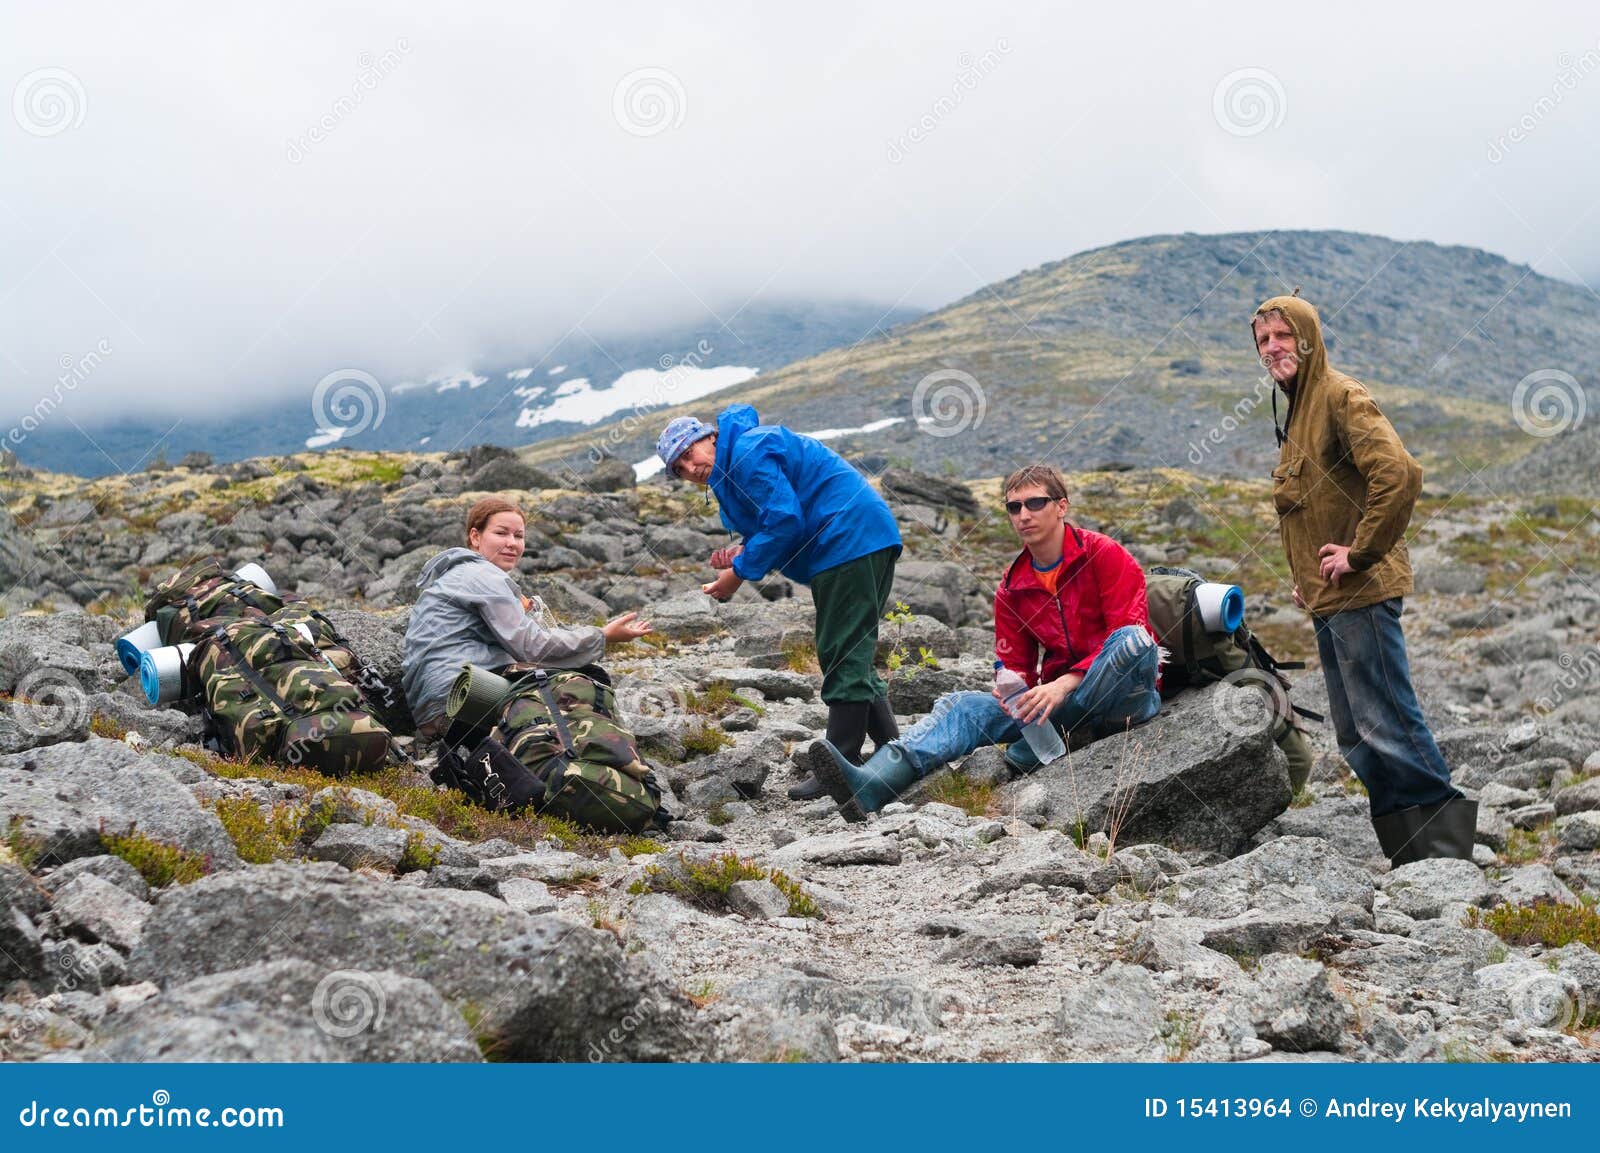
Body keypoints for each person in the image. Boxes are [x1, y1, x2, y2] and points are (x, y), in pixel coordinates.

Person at [1250, 293, 1475, 865]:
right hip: (1330, 598)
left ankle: (1445, 855)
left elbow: (1398, 474)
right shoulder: (1296, 407)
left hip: (1364, 592)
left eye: (1282, 336)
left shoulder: (1340, 396)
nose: (1272, 348)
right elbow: (1315, 503)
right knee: (1355, 731)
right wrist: (1308, 576)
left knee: (1387, 718)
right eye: (1262, 340)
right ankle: (1412, 857)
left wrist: (1358, 554)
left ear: (1307, 340)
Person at [810, 464, 1161, 820]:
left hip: (1123, 697)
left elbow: (1131, 633)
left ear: (1061, 506)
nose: (1024, 515)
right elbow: (1016, 667)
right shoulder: (1012, 586)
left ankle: (1053, 735)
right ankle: (872, 783)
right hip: (1058, 704)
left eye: (1036, 503)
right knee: (960, 706)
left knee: (1132, 643)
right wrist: (1012, 687)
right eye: (1014, 507)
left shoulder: (1104, 554)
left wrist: (1063, 684)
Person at [656, 404, 902, 800]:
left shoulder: (749, 453)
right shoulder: (733, 467)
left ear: (710, 437)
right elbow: (776, 521)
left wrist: (737, 574)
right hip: (852, 541)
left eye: (689, 453)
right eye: (679, 468)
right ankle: (894, 754)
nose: (689, 468)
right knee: (850, 647)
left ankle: (839, 765)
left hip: (848, 540)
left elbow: (786, 520)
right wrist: (742, 553)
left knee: (840, 650)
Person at [401, 496, 653, 739]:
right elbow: (532, 647)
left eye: (519, 536)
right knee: (590, 678)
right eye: (501, 533)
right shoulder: (483, 576)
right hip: (461, 702)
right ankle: (599, 752)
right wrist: (603, 636)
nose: (512, 543)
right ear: (475, 537)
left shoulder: (458, 573)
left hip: (433, 710)